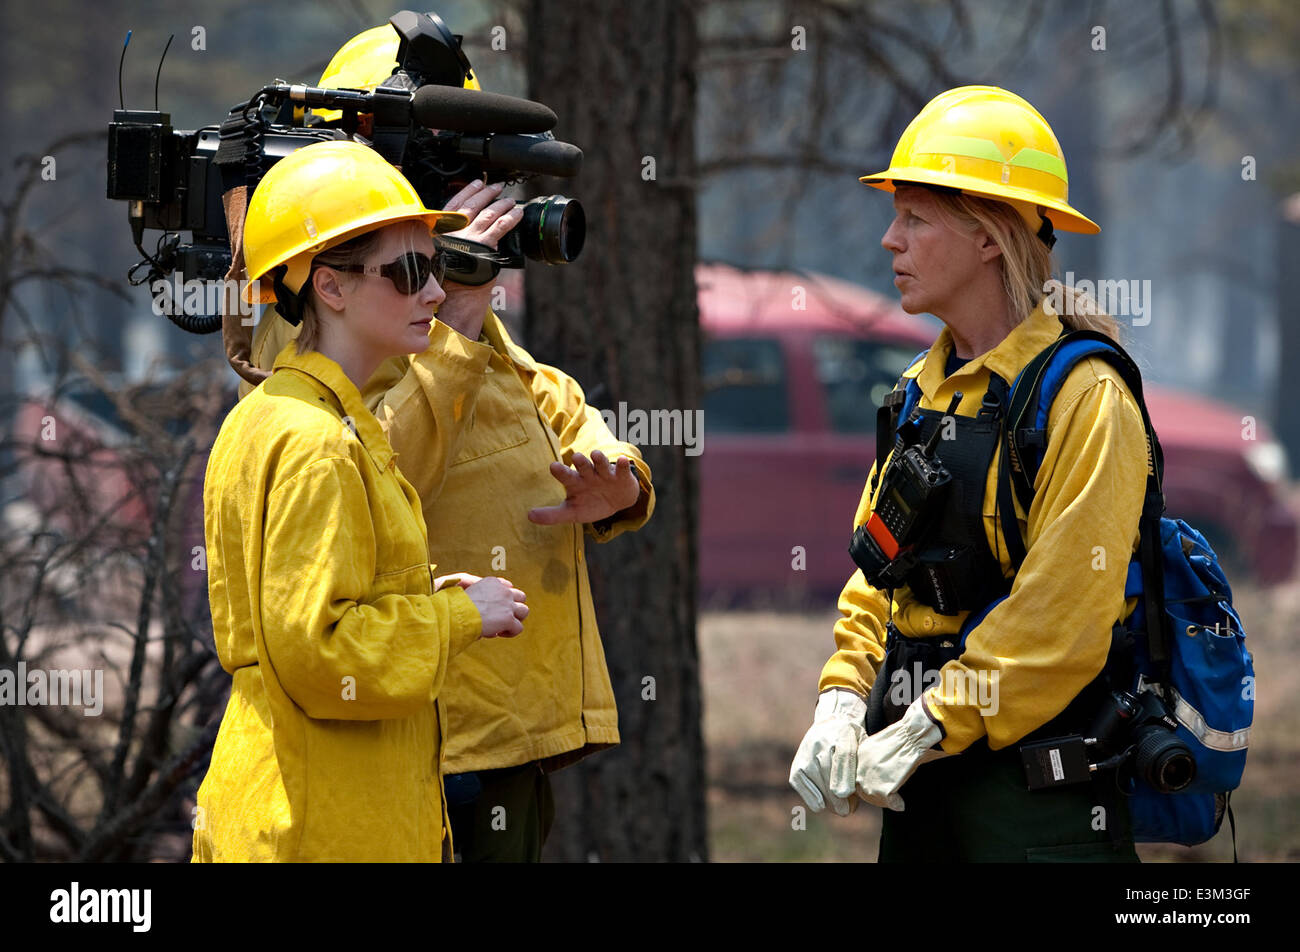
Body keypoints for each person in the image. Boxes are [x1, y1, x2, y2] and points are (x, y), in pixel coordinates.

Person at [222, 24, 656, 862]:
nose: (468, 188)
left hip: (502, 722)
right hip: (428, 728)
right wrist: (451, 302)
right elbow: (381, 465)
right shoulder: (319, 317)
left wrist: (623, 484)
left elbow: (526, 393)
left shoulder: (412, 293)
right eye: (443, 163)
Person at [789, 85, 1150, 862]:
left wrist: (925, 725)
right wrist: (843, 702)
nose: (891, 241)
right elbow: (878, 573)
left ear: (989, 236)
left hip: (1038, 809)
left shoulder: (1088, 399)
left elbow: (1065, 614)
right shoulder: (921, 392)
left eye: (915, 218)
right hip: (921, 787)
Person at [193, 140, 529, 863]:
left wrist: (424, 595)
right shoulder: (316, 441)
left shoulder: (277, 414)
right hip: (324, 831)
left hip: (300, 811)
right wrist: (455, 617)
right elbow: (321, 652)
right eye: (409, 272)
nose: (435, 294)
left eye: (435, 268)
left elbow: (304, 615)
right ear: (331, 287)